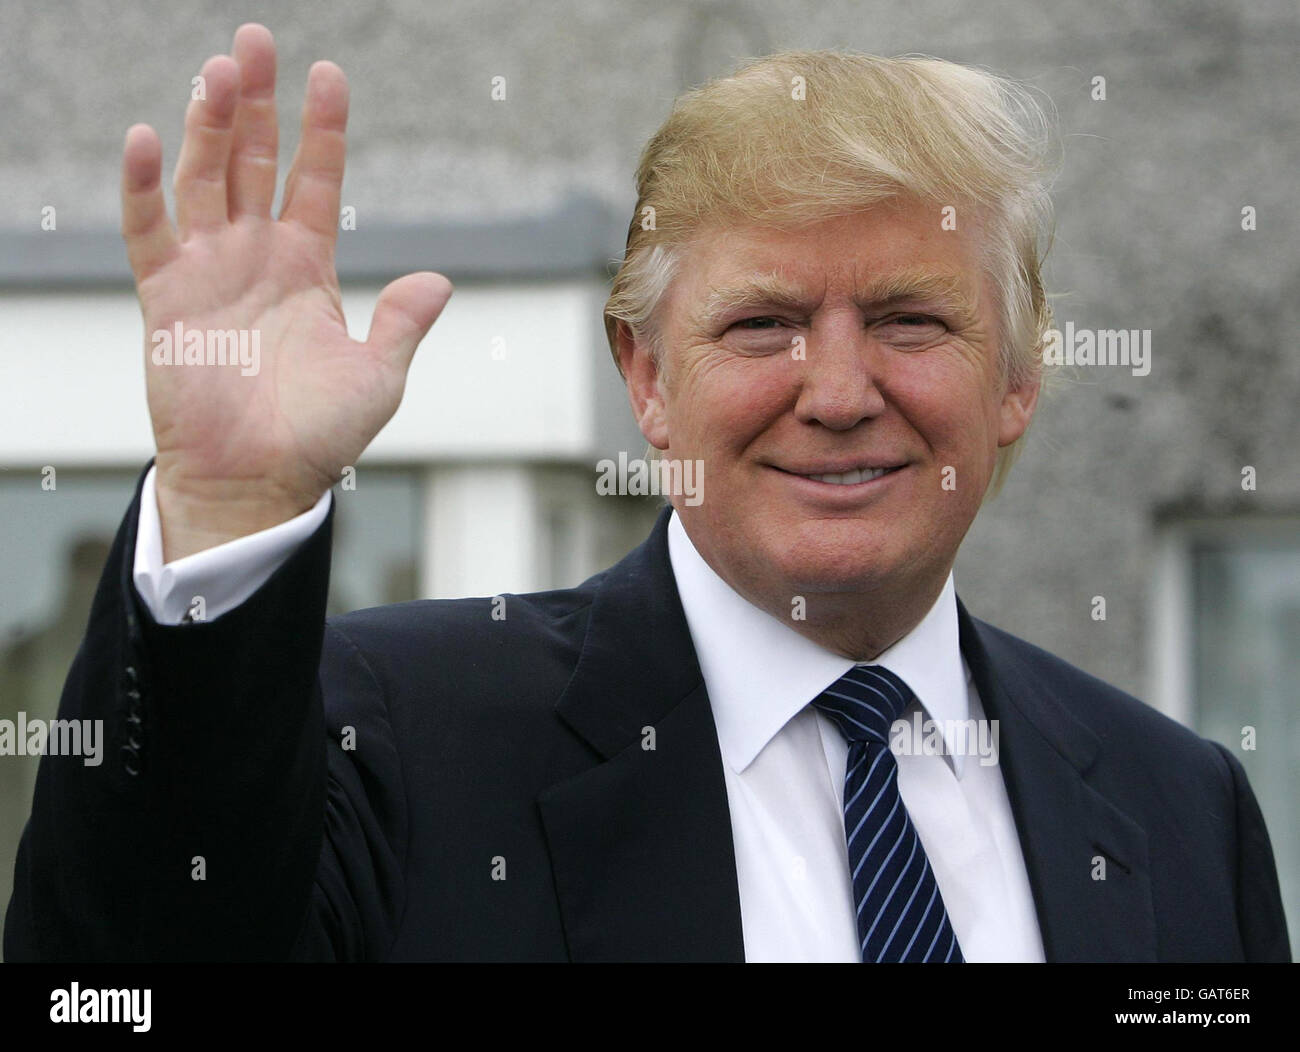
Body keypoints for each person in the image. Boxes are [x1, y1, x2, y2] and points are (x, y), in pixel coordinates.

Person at [4, 24, 1288, 962]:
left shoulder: (1177, 804)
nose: (837, 391)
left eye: (907, 319)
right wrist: (230, 507)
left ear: (1013, 375)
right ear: (646, 378)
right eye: (761, 323)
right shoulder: (396, 737)